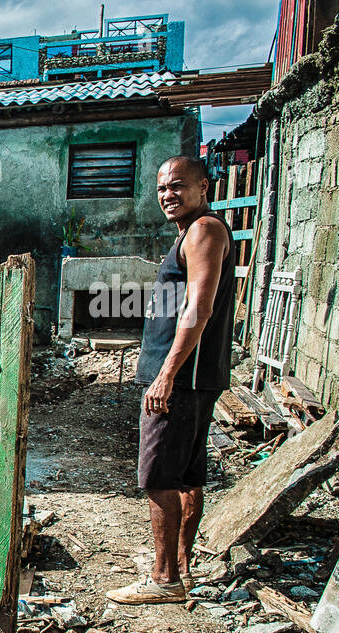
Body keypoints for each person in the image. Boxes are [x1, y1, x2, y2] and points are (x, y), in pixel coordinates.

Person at [107, 155, 237, 605]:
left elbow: (198, 308)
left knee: (159, 475)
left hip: (182, 377)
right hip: (196, 376)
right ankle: (181, 565)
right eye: (162, 188)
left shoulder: (202, 230)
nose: (168, 195)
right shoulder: (195, 233)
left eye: (178, 185)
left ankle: (164, 580)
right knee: (186, 474)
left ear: (204, 186)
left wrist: (165, 375)